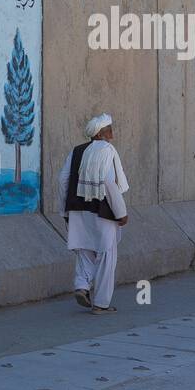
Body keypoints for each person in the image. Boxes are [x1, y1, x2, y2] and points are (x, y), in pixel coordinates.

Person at [57, 113, 129, 313]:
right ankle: (101, 303)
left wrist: (65, 209)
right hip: (102, 210)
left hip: (77, 209)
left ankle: (81, 285)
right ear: (101, 133)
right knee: (106, 255)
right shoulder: (107, 150)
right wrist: (121, 212)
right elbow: (109, 183)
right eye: (109, 131)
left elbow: (63, 180)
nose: (112, 136)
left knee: (84, 251)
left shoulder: (77, 151)